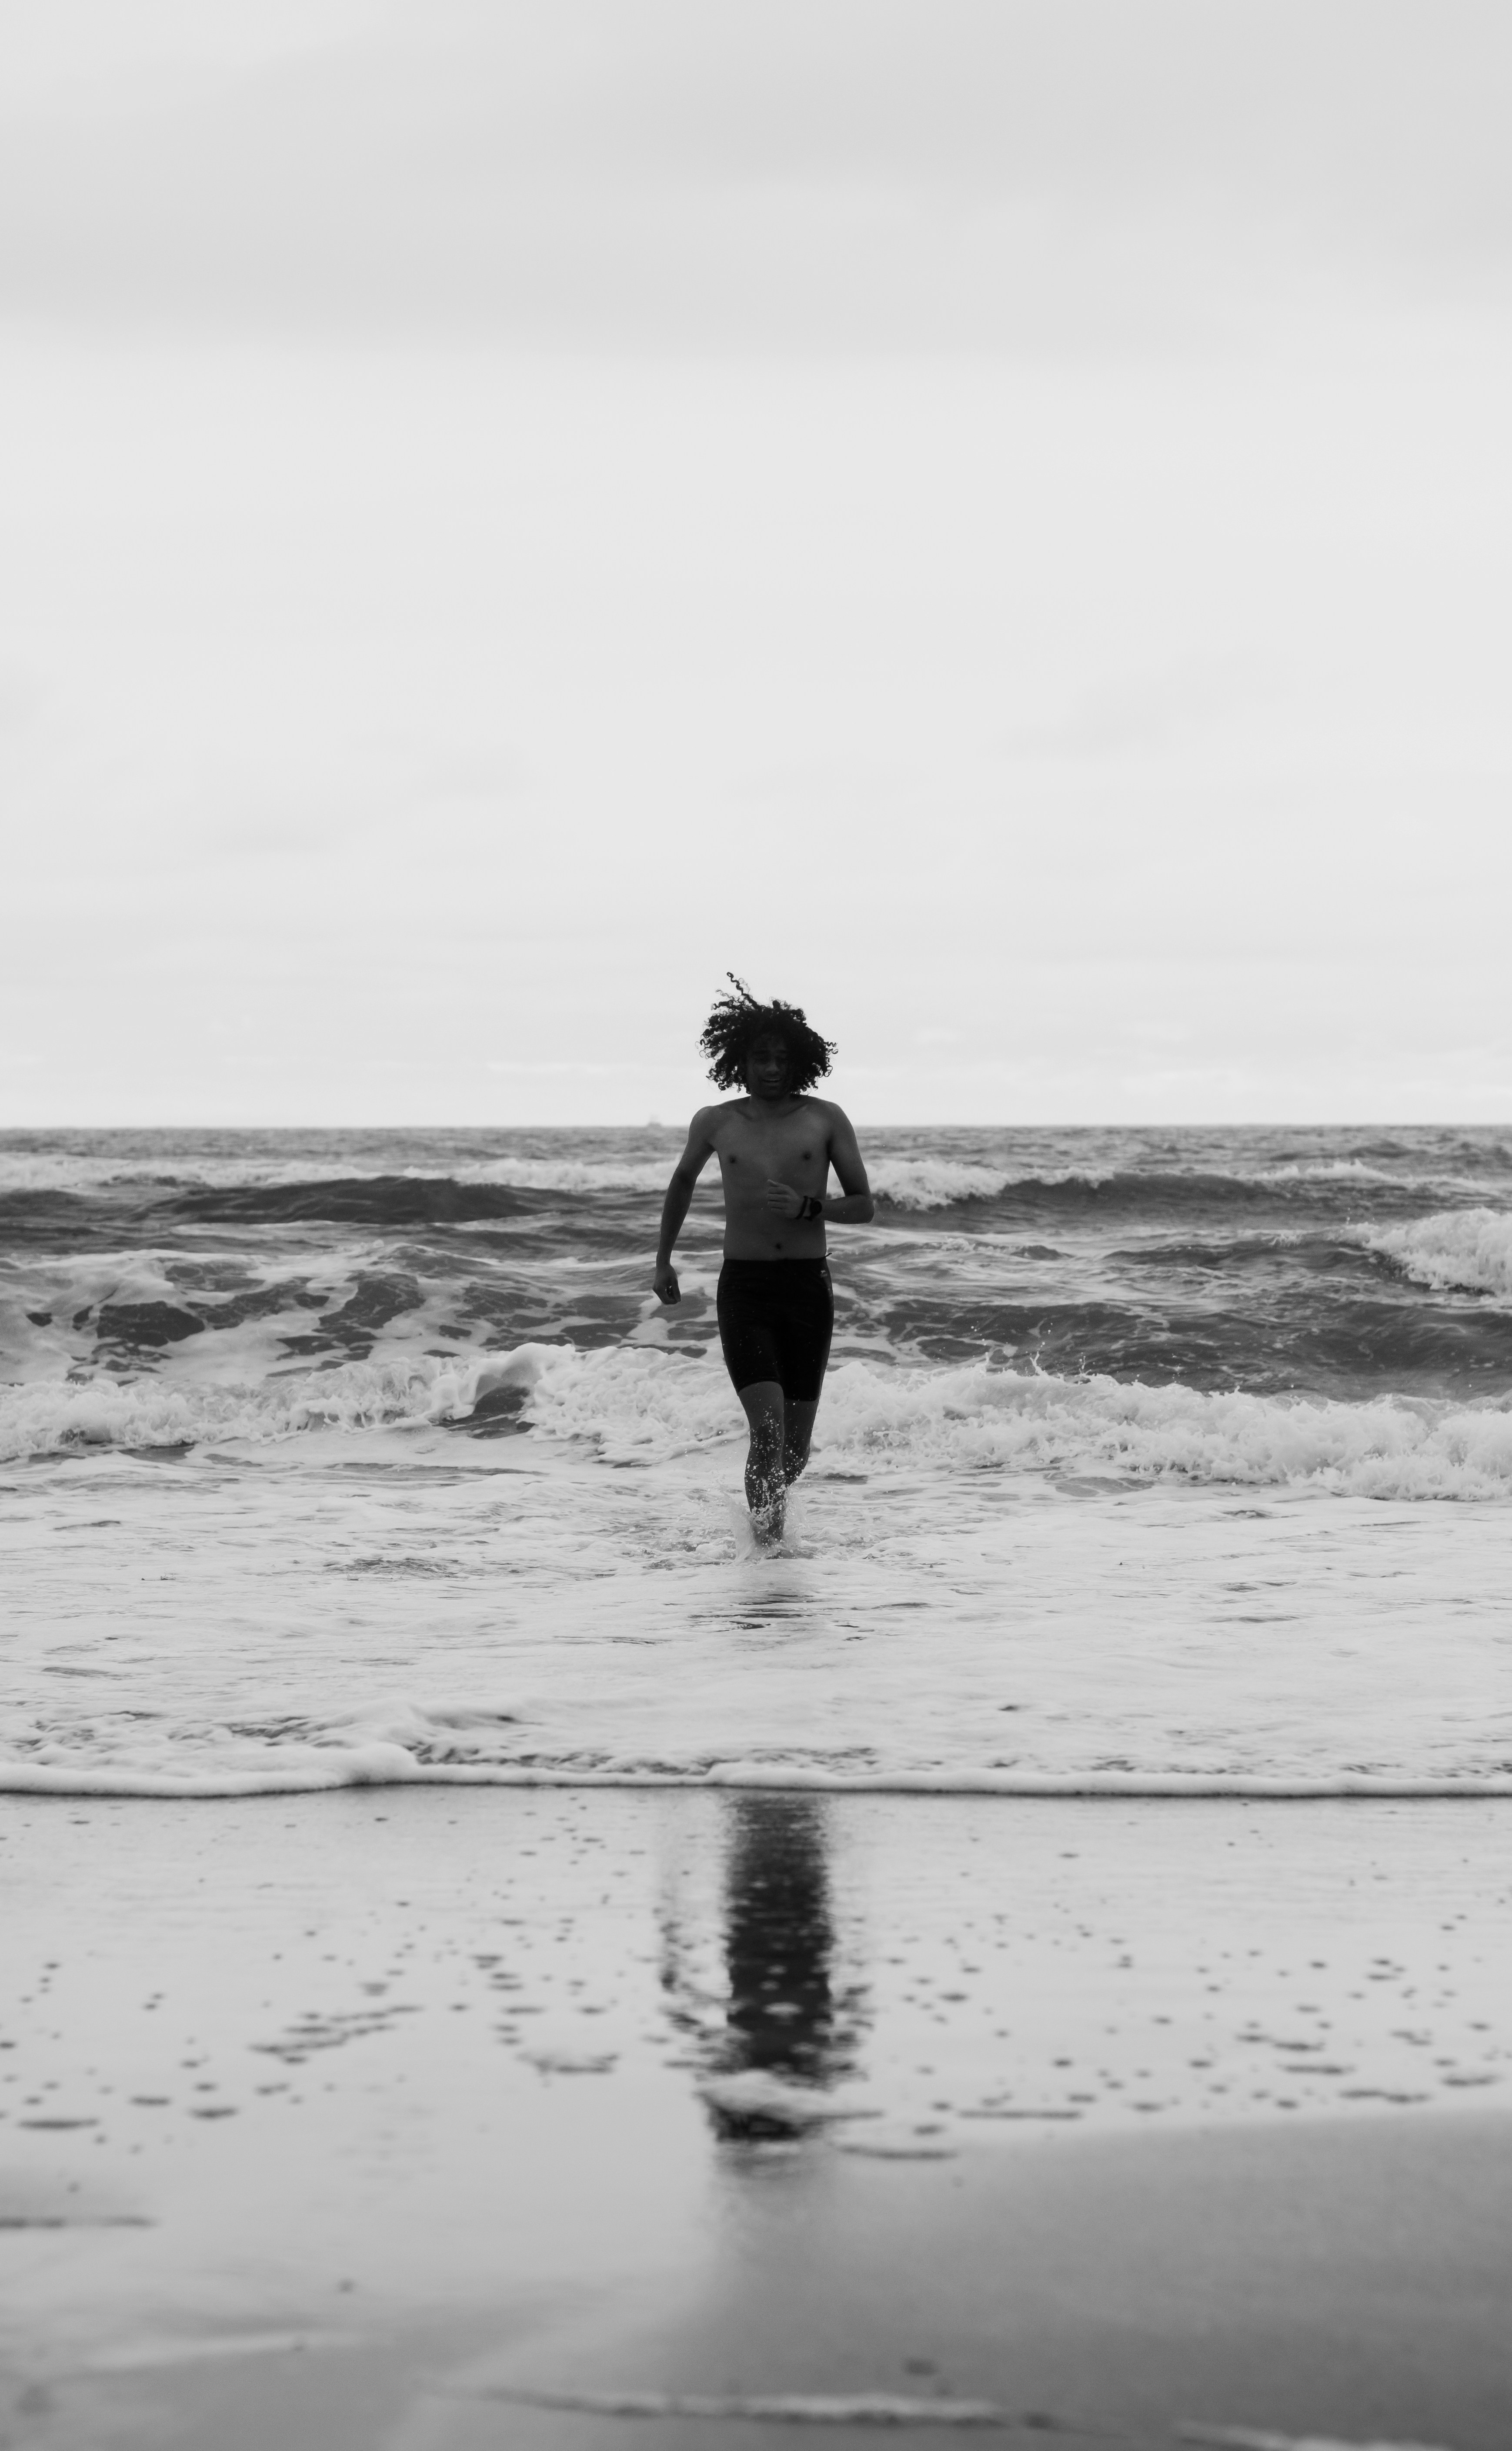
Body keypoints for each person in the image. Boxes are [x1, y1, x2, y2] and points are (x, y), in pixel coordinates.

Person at [653, 978, 874, 1540]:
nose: (772, 1068)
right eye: (760, 1058)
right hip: (745, 1288)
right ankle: (767, 1554)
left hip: (807, 1289)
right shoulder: (716, 1122)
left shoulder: (825, 1119)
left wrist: (809, 1207)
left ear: (798, 1061)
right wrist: (663, 1260)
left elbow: (864, 1204)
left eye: (781, 1058)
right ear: (740, 1061)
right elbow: (682, 1182)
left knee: (794, 1453)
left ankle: (764, 1533)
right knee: (768, 1430)